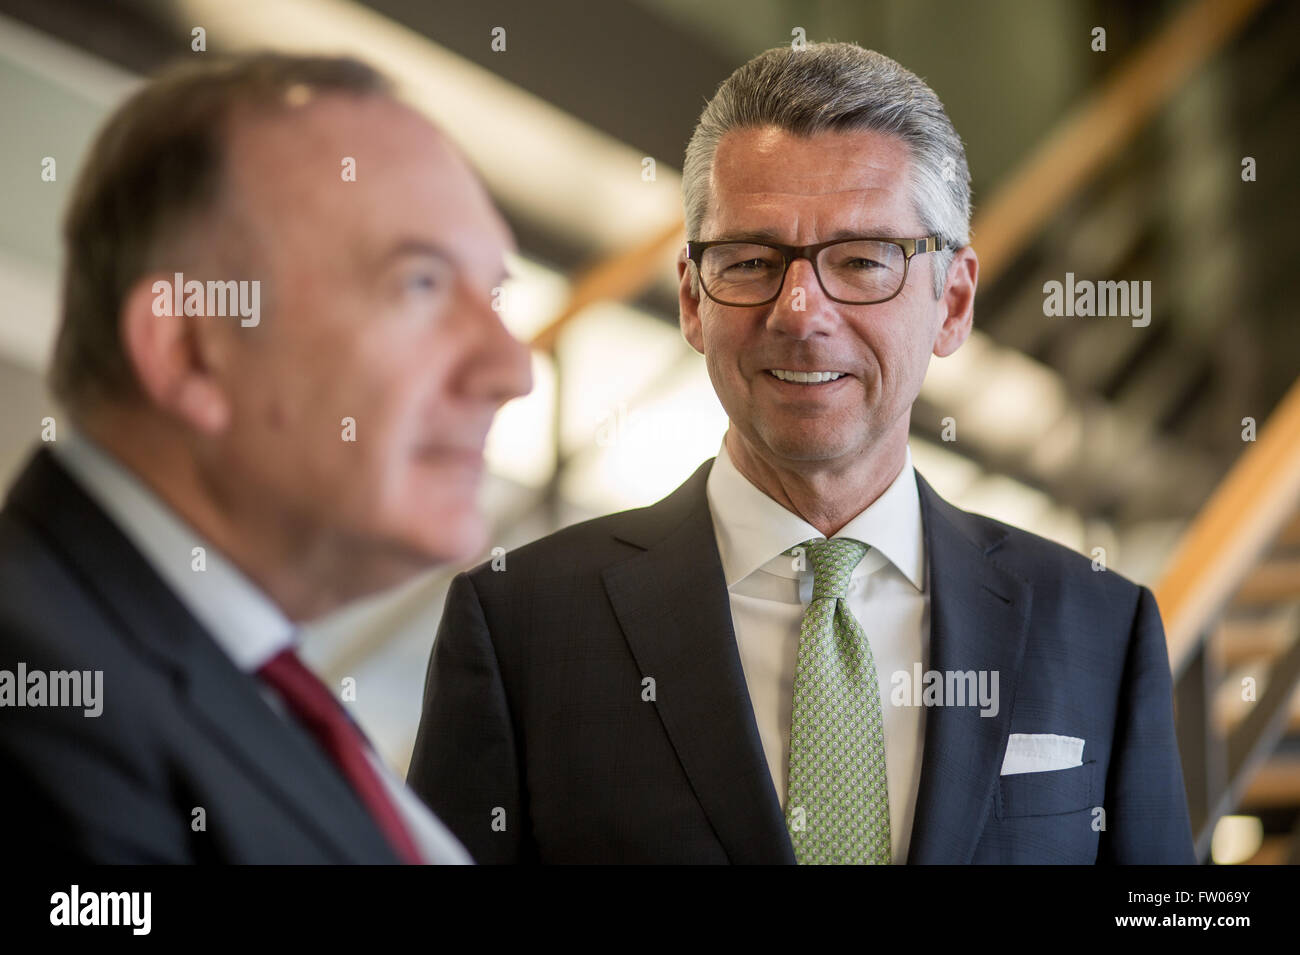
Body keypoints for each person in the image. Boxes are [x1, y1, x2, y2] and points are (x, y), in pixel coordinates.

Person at [408, 42, 1196, 864]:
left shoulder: (1099, 624)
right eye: (750, 261)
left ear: (953, 301)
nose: (800, 311)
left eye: (861, 261)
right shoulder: (520, 626)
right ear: (691, 298)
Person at [0, 53, 531, 863]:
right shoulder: (38, 695)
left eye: (493, 296)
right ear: (188, 348)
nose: (512, 369)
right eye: (420, 283)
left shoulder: (259, 681)